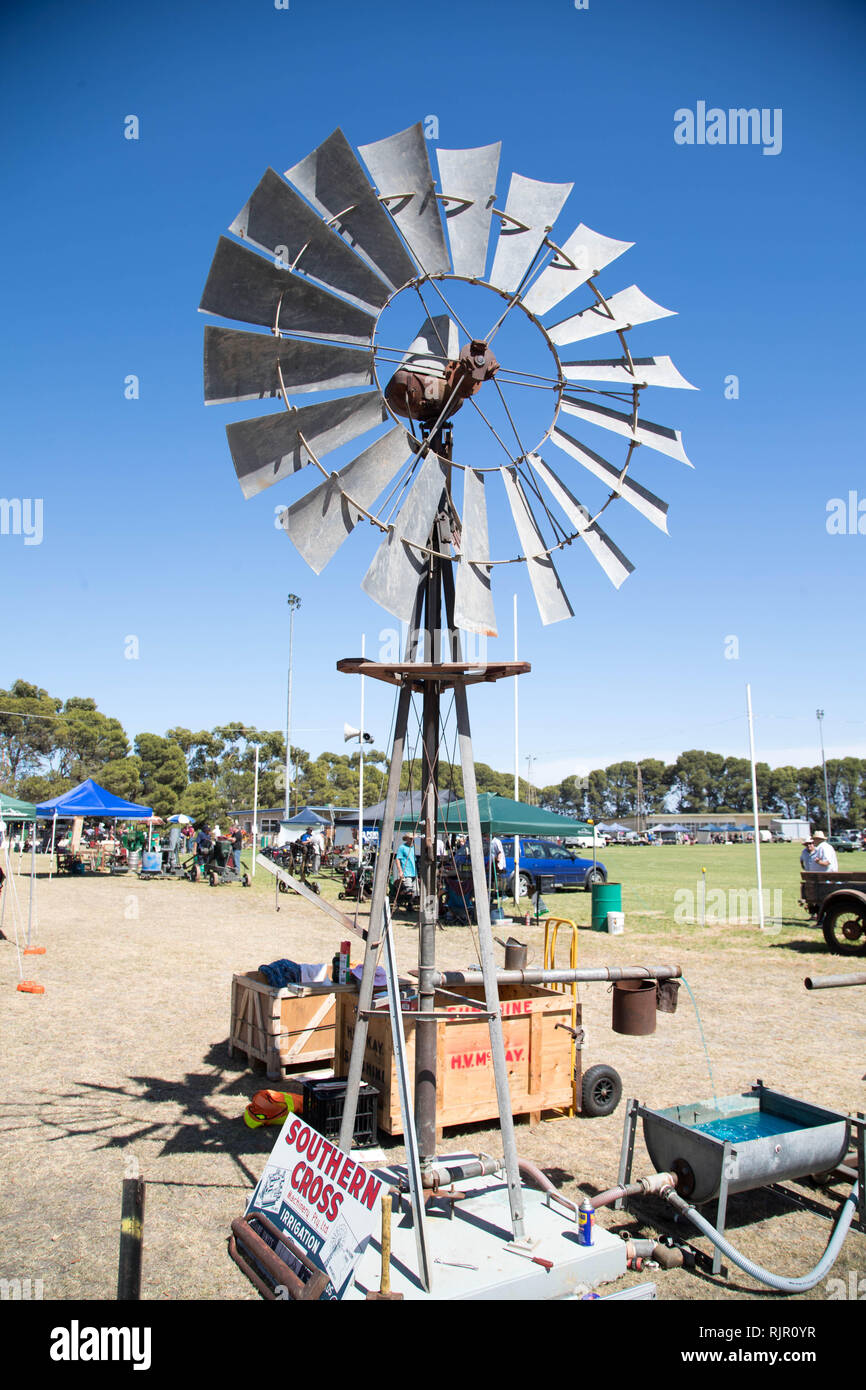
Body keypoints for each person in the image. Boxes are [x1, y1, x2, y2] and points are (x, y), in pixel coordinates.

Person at [392, 833, 417, 907]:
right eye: (411, 838)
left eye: (413, 838)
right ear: (407, 839)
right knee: (408, 889)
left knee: (414, 891)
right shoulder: (402, 847)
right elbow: (397, 859)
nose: (412, 840)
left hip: (414, 872)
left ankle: (407, 903)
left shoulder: (414, 848)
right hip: (406, 872)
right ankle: (401, 901)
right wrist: (400, 871)